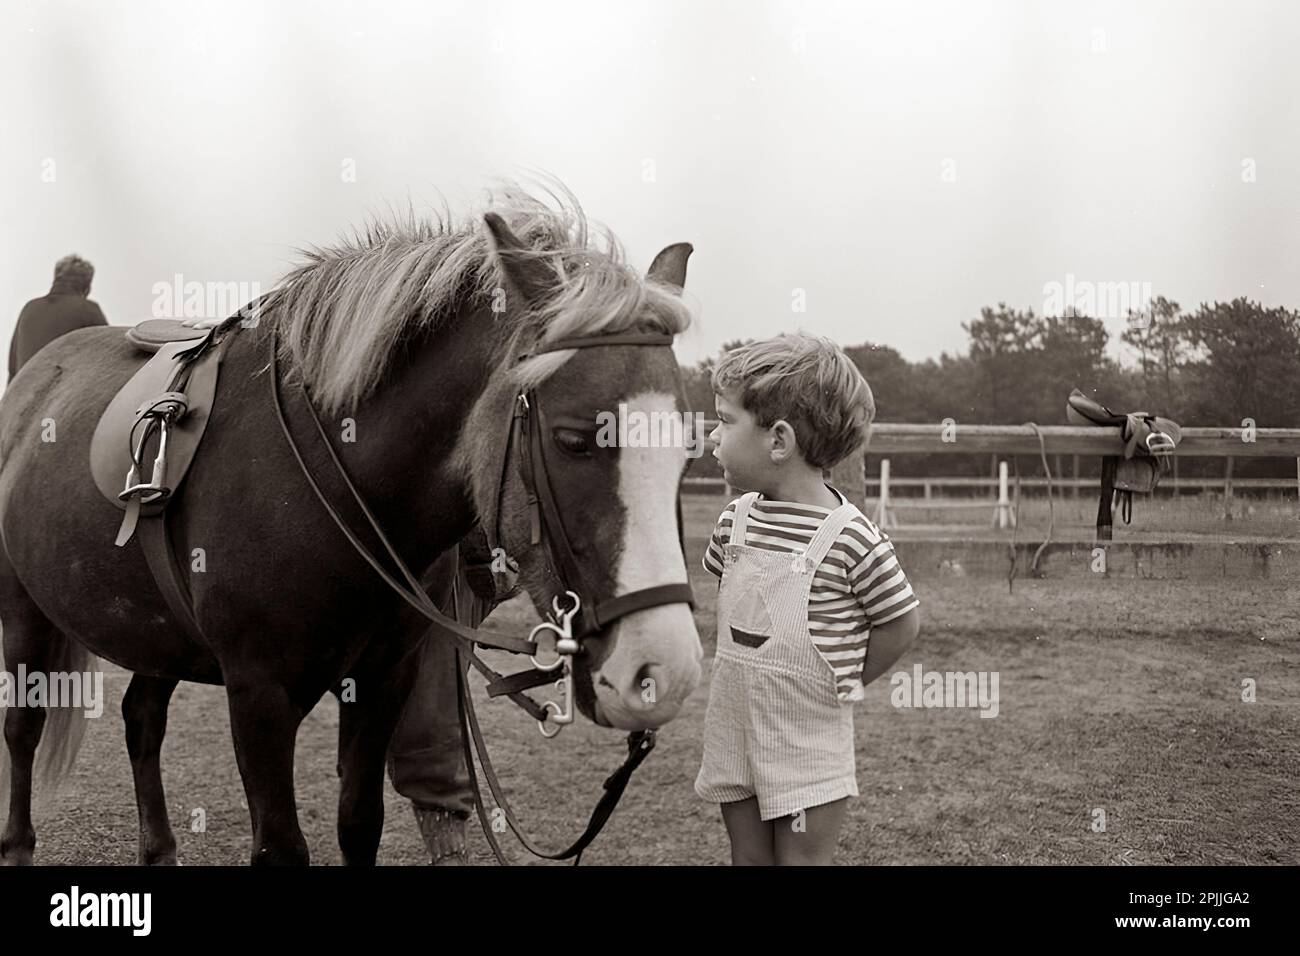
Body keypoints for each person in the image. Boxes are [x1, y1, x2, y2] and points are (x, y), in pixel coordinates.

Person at [695, 332, 921, 865]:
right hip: (736, 727)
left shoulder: (851, 538)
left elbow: (901, 623)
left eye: (725, 422)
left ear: (779, 440)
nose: (712, 438)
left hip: (807, 743)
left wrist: (844, 676)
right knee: (748, 859)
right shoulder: (734, 522)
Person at [8, 254, 108, 382]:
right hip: (64, 389)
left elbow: (12, 368)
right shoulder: (88, 309)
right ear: (87, 287)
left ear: (56, 279)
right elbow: (109, 357)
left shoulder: (29, 308)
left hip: (21, 392)